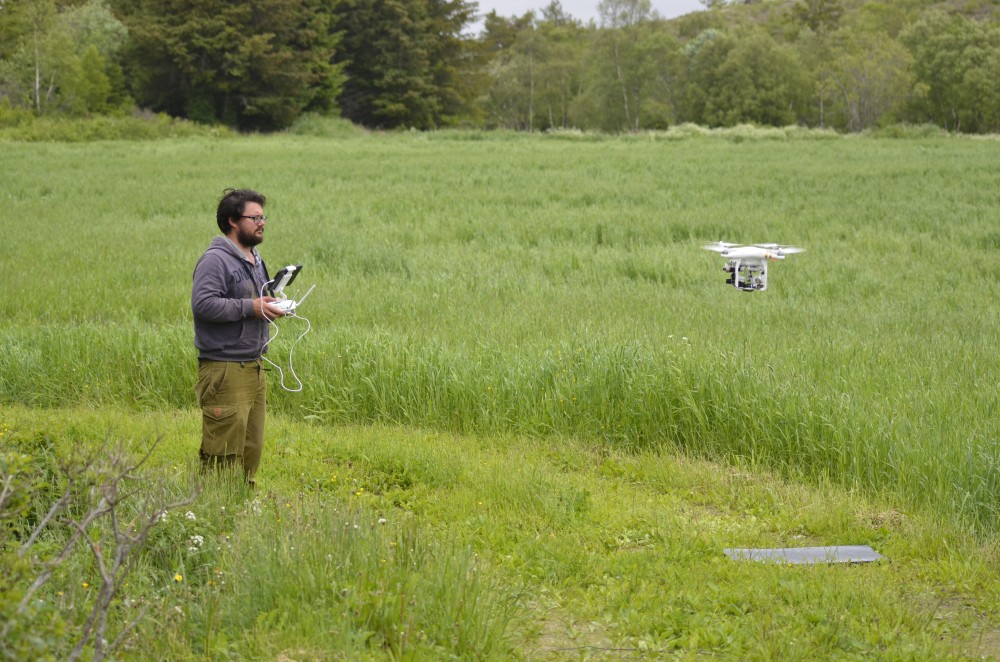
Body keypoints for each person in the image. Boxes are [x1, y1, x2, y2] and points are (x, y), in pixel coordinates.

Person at [191, 188, 286, 485]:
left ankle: (239, 509)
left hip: (254, 368)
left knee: (250, 450)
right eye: (254, 217)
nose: (262, 222)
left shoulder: (254, 258)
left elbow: (257, 301)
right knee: (223, 455)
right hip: (225, 370)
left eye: (263, 217)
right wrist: (251, 307)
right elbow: (203, 304)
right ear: (233, 220)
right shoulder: (215, 260)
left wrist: (272, 305)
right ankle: (213, 511)